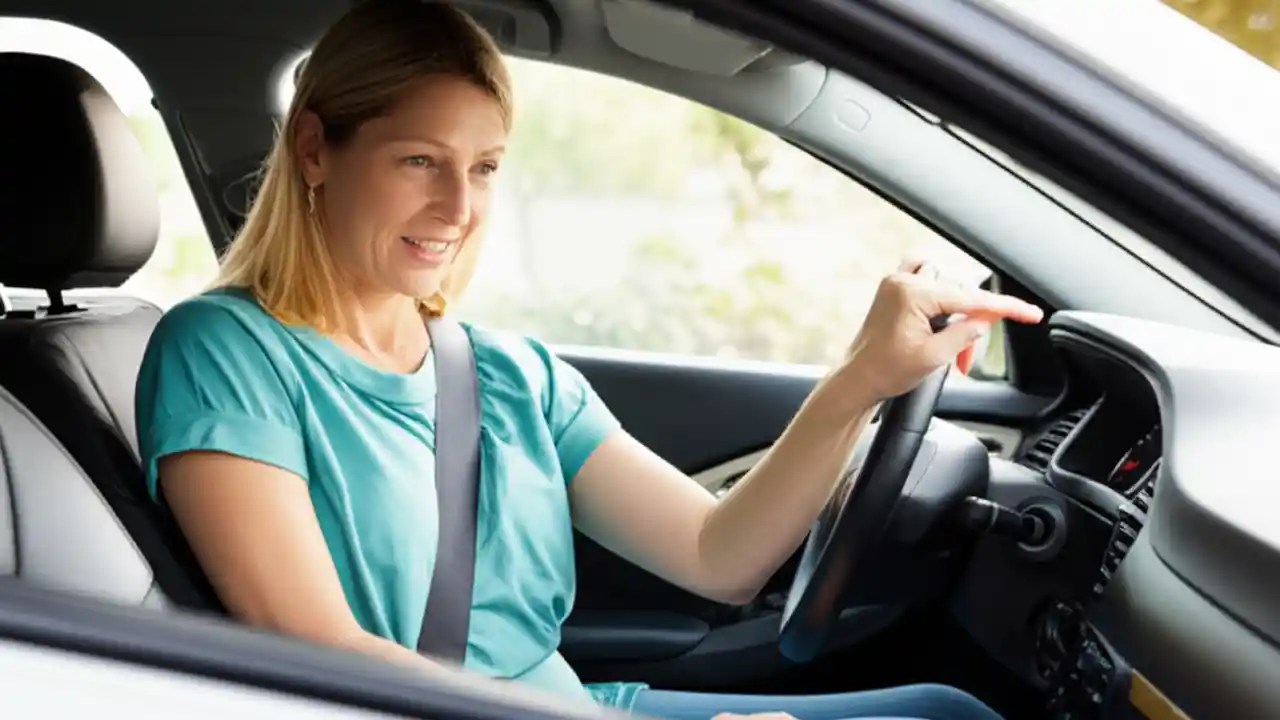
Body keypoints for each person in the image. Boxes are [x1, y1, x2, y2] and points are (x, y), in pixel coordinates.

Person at [133, 1, 1043, 718]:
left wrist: (860, 383)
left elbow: (717, 554)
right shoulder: (225, 354)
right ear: (314, 151)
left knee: (947, 709)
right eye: (419, 160)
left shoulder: (505, 374)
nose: (459, 205)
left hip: (567, 706)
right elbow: (314, 651)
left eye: (484, 167)